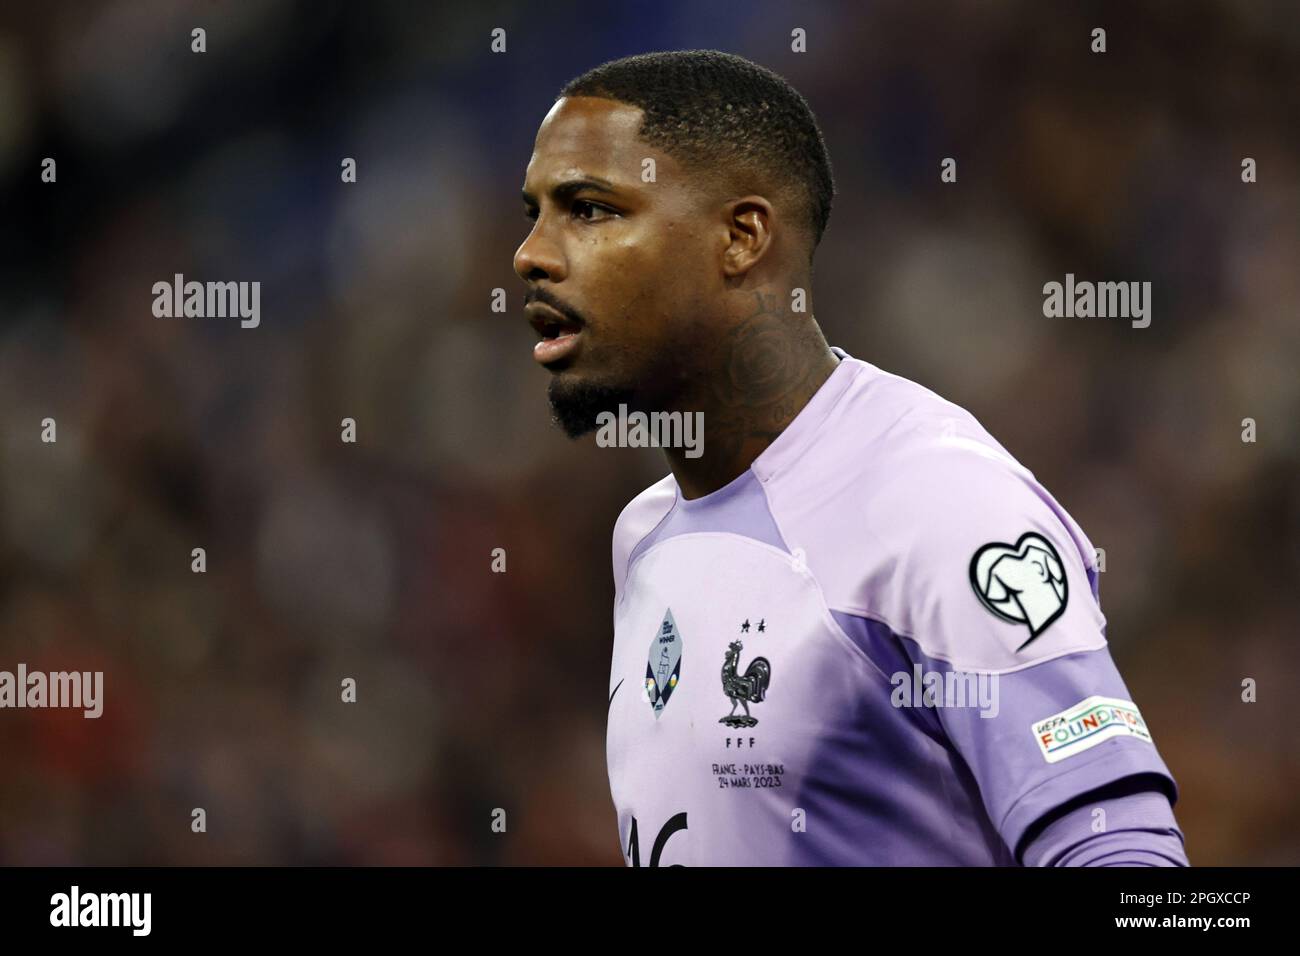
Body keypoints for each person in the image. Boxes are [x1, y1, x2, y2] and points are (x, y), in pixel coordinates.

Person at [513, 50, 1187, 866]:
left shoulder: (934, 502)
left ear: (741, 236)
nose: (533, 254)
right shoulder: (645, 536)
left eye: (588, 209)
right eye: (535, 213)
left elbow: (1127, 858)